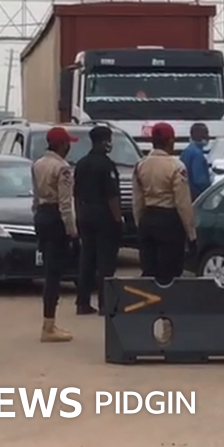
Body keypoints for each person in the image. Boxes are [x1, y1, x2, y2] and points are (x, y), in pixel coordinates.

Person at [133, 122, 196, 286]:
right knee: (170, 274)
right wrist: (191, 234)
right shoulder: (176, 166)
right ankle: (167, 307)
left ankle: (148, 307)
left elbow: (137, 201)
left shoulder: (141, 165)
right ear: (169, 141)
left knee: (149, 272)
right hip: (169, 222)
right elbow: (183, 203)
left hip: (148, 219)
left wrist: (140, 223)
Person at [31, 127, 78, 342]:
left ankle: (48, 323)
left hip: (41, 215)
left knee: (49, 270)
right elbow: (65, 203)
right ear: (60, 145)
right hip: (55, 217)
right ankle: (49, 326)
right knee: (54, 273)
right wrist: (72, 230)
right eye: (67, 143)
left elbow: (35, 196)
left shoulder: (38, 164)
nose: (69, 147)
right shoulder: (62, 168)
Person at [73, 125, 122, 315]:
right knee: (106, 261)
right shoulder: (106, 165)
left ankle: (82, 302)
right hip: (103, 215)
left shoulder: (82, 163)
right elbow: (112, 196)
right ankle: (105, 304)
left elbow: (76, 194)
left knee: (87, 259)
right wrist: (118, 220)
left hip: (85, 213)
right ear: (104, 141)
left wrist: (79, 217)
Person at [180, 123, 212, 200]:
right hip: (196, 197)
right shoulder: (197, 154)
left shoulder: (186, 151)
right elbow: (200, 181)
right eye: (206, 134)